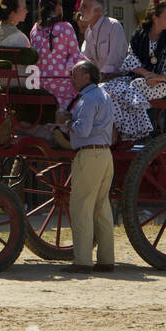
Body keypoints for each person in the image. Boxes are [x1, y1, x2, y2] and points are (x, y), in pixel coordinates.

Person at [104, 0, 166, 139]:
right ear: (155, 17)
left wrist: (161, 76)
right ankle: (116, 128)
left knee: (135, 87)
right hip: (139, 78)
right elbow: (131, 60)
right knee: (106, 88)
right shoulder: (139, 35)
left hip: (161, 83)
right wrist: (147, 74)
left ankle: (137, 131)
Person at [54, 60, 115, 273]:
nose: (72, 78)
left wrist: (65, 122)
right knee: (101, 208)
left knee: (81, 207)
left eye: (75, 74)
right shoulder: (103, 96)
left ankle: (82, 260)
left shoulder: (87, 99)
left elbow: (83, 130)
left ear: (87, 77)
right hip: (105, 154)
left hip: (88, 154)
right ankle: (106, 259)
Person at [29, 0, 82, 106]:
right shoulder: (66, 28)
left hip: (40, 83)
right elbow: (76, 56)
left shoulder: (35, 30)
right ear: (58, 8)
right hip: (62, 83)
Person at [79, 0, 128, 80]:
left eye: (84, 6)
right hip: (100, 80)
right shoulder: (88, 31)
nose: (80, 9)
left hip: (116, 80)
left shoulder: (113, 25)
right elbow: (88, 59)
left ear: (97, 10)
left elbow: (115, 57)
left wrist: (102, 76)